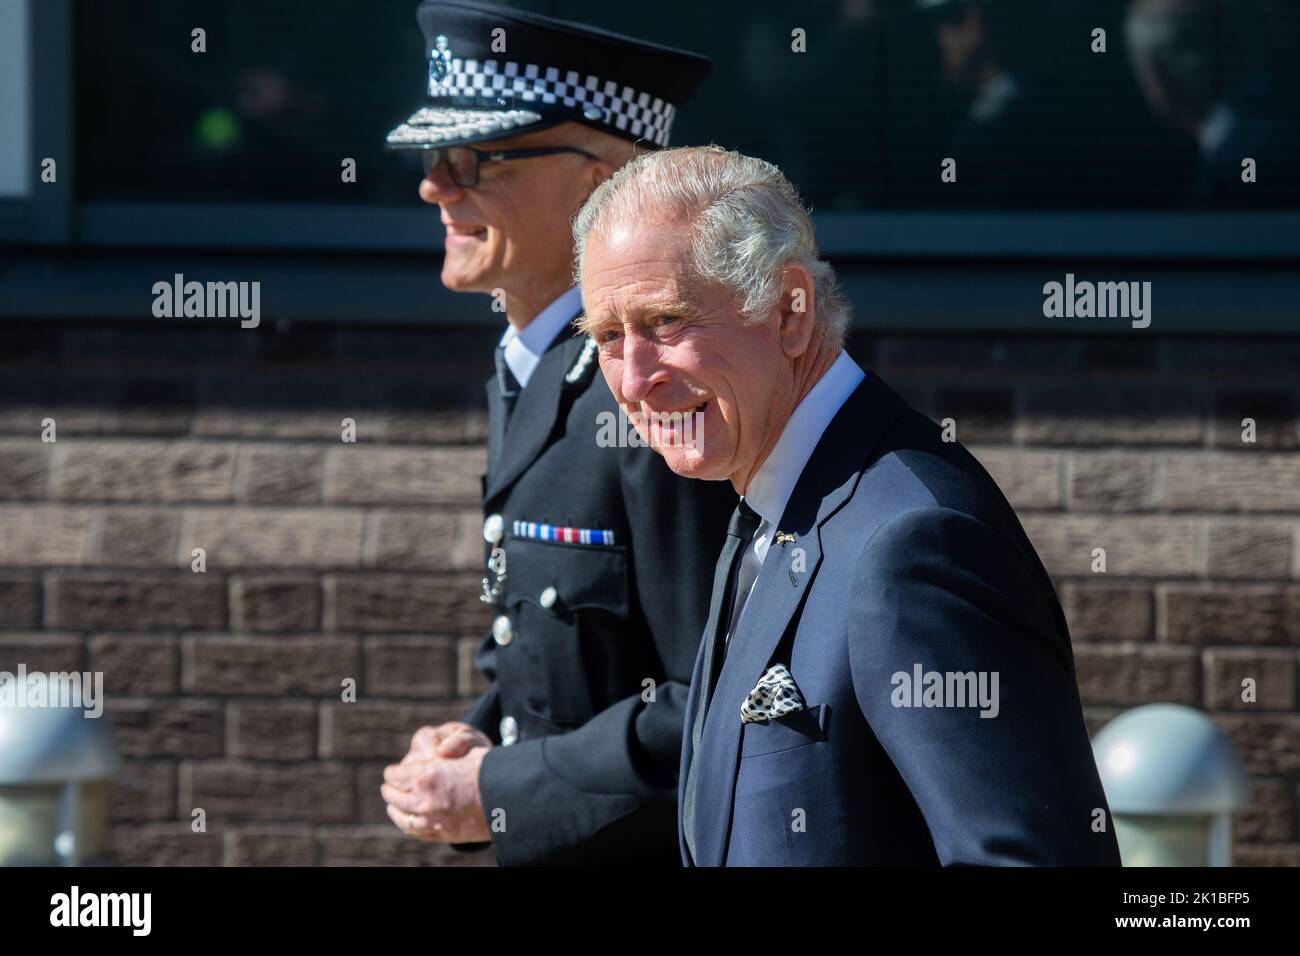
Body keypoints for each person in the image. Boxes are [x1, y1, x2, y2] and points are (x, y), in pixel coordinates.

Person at [574, 145, 1123, 866]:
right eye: (608, 337)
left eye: (667, 321)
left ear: (790, 313)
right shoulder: (765, 505)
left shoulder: (912, 540)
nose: (633, 379)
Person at [377, 1, 734, 866]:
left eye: (474, 158)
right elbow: (550, 653)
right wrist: (477, 742)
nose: (435, 186)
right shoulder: (533, 362)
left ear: (596, 185)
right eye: (433, 159)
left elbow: (719, 701)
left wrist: (500, 791)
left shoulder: (651, 388)